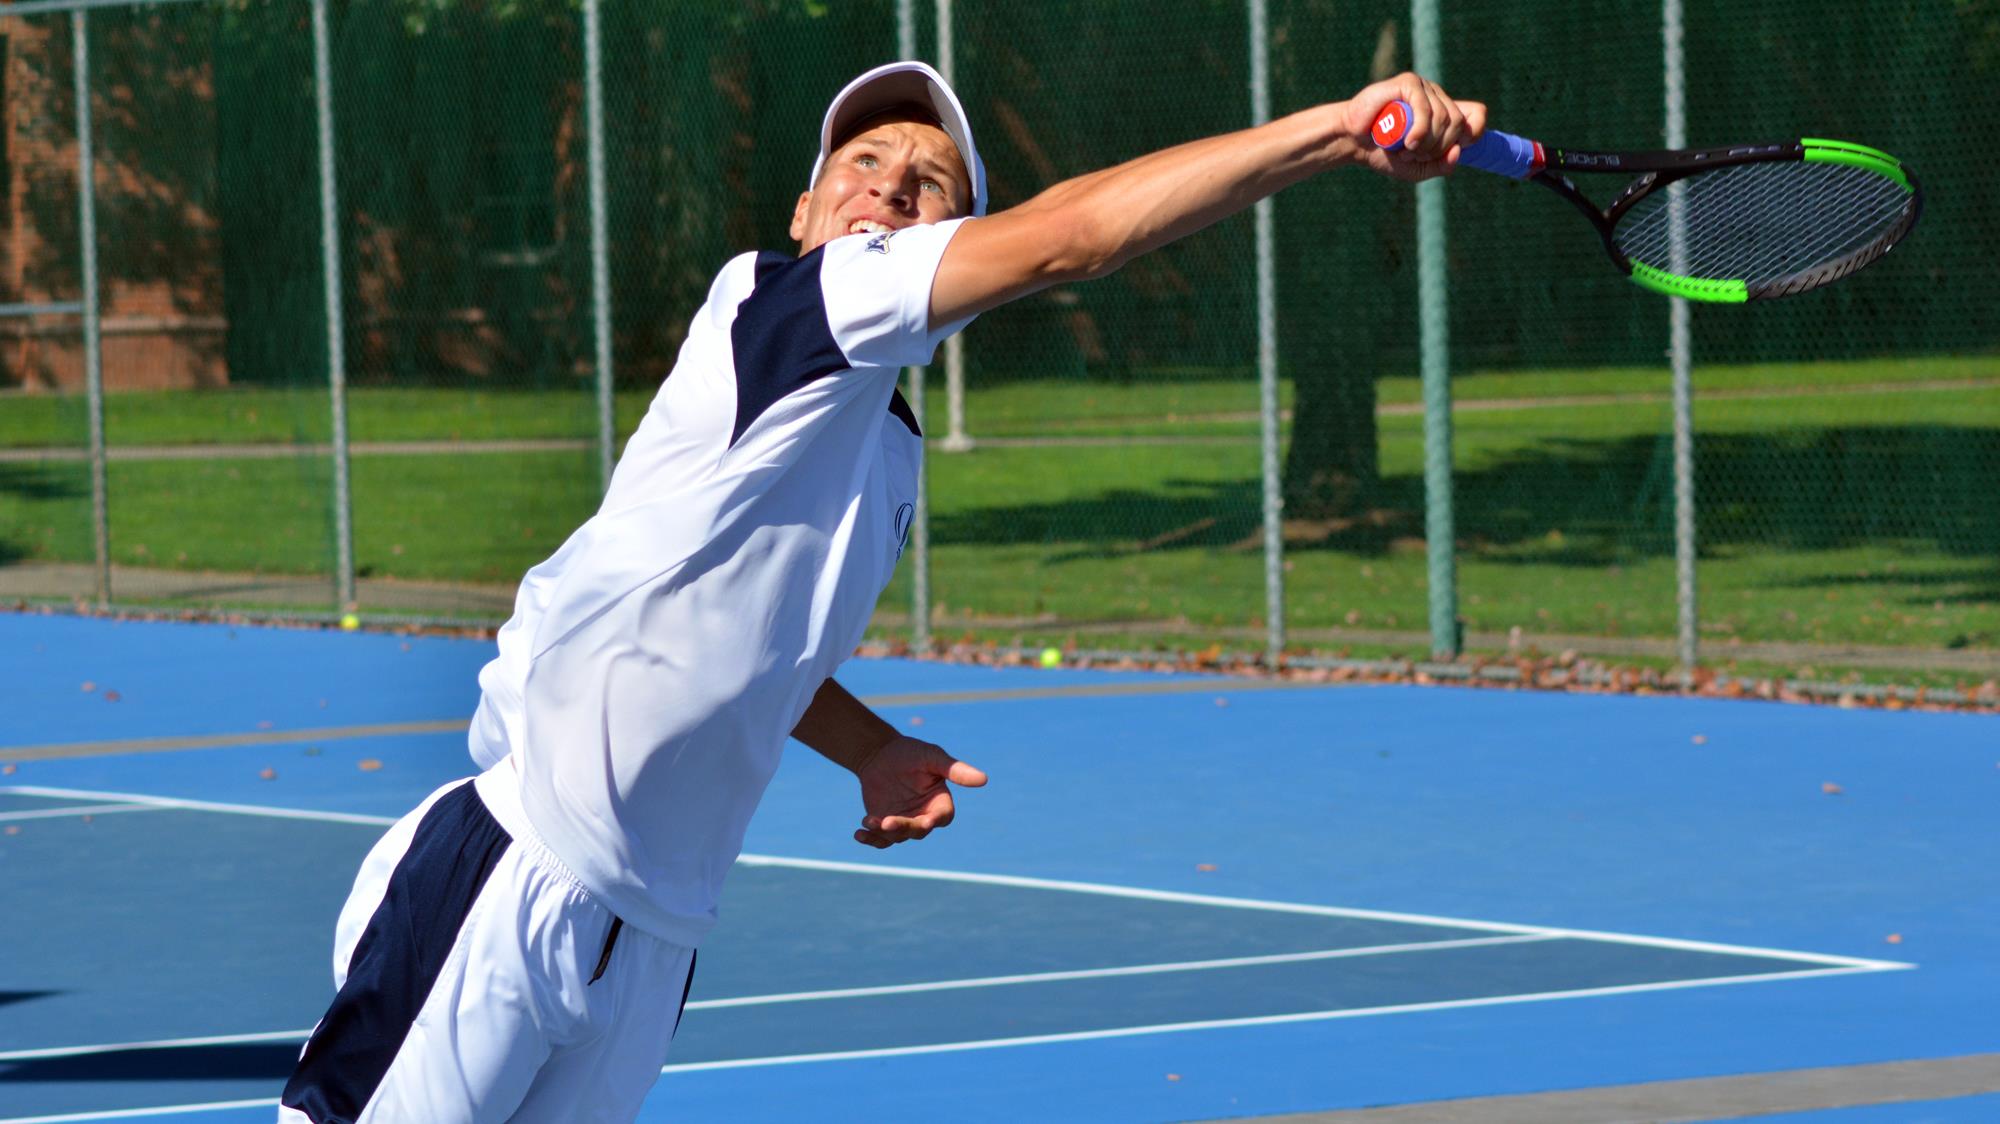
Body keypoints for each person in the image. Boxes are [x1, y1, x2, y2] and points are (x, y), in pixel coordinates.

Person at [279, 60, 1482, 1124]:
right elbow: (1075, 236)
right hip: (514, 868)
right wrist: (1334, 129)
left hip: (653, 930)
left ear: (952, 232)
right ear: (807, 211)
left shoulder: (885, 446)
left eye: (930, 178)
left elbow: (740, 632)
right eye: (863, 161)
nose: (893, 185)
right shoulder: (785, 306)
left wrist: (864, 745)